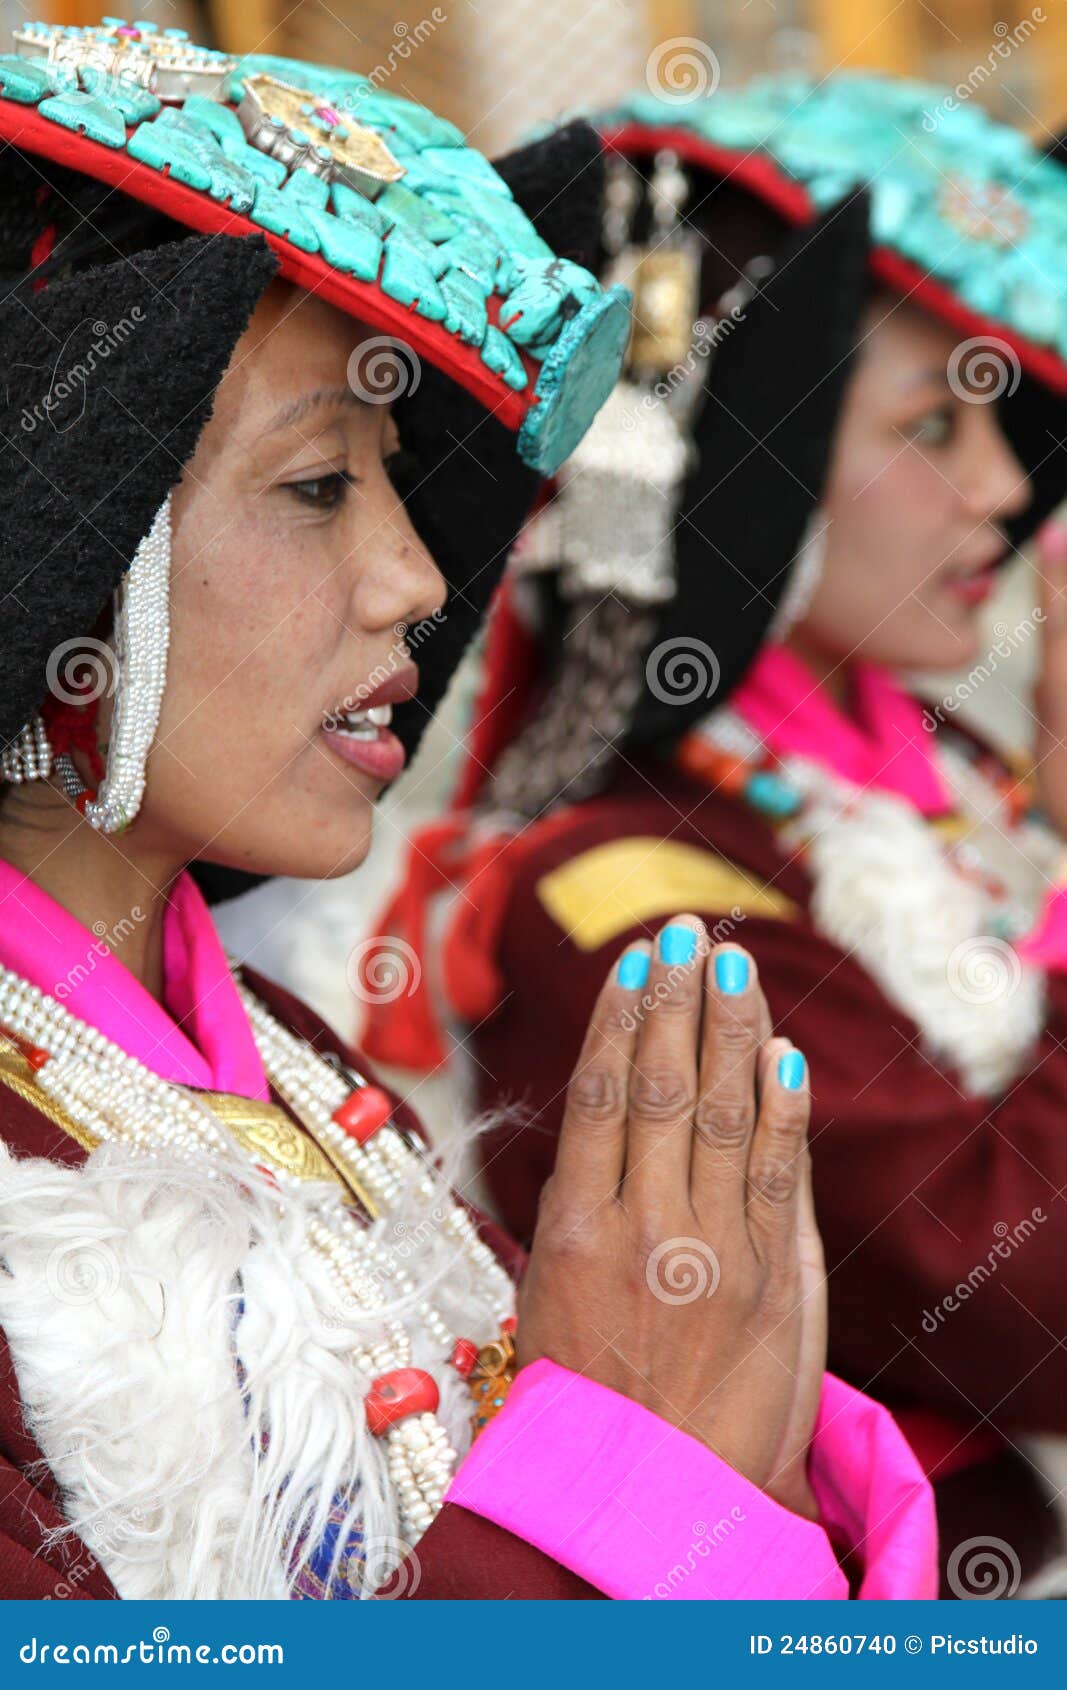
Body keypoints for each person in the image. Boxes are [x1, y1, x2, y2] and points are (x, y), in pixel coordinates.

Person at [0, 24, 932, 1600]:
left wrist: (730, 1458)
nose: (421, 580)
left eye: (393, 477)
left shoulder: (298, 1060)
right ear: (74, 531)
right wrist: (639, 1455)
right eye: (318, 487)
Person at [366, 72, 1067, 1596]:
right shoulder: (622, 895)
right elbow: (1028, 1306)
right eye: (930, 425)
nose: (1004, 493)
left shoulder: (951, 772)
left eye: (1002, 424)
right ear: (757, 453)